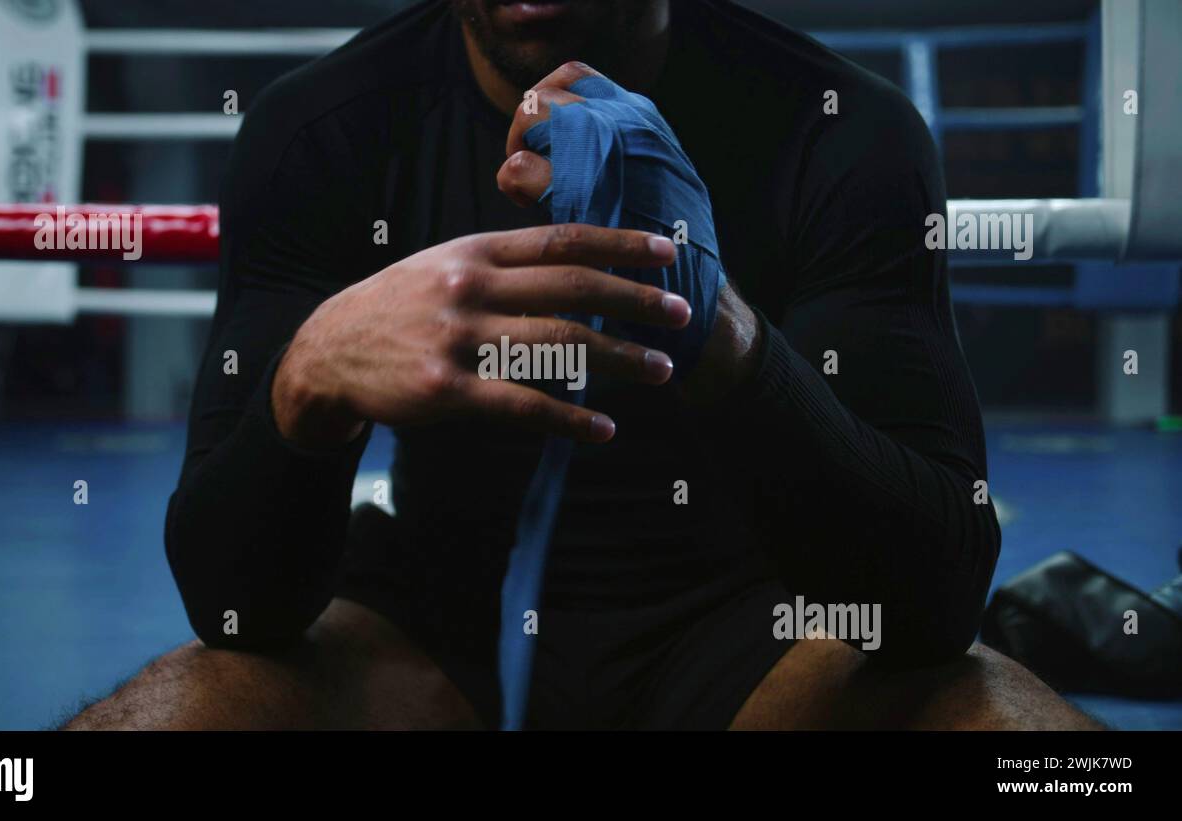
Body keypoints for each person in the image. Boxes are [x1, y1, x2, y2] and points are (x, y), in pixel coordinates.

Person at [66, 0, 1100, 730]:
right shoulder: (323, 131)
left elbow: (932, 605)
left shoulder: (841, 130)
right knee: (164, 713)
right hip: (430, 629)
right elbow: (235, 608)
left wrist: (721, 331)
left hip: (766, 636)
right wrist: (307, 388)